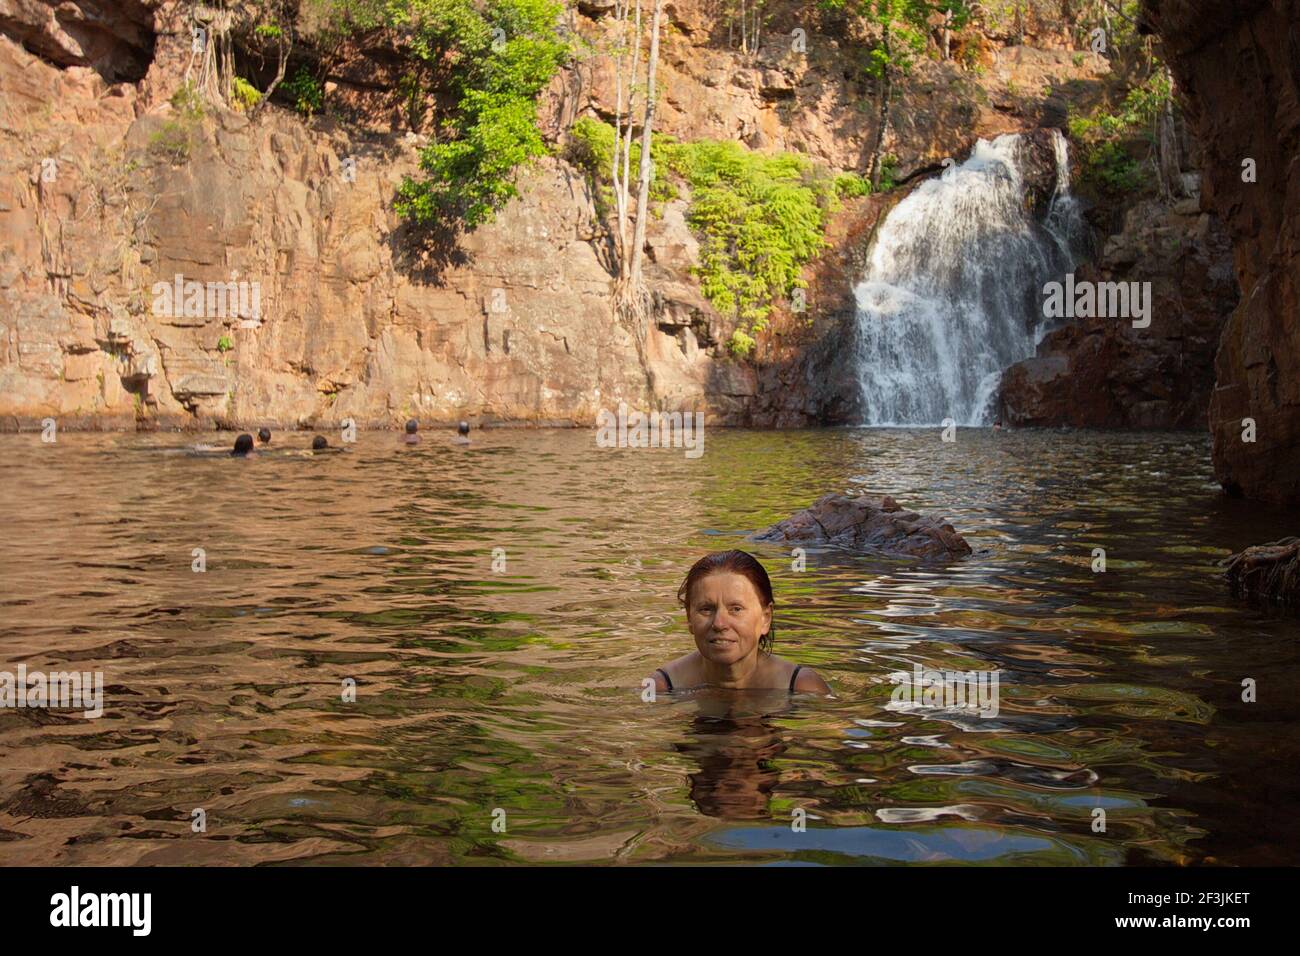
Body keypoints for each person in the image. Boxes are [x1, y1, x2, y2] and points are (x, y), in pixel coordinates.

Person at [648, 550, 831, 695]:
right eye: (706, 609)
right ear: (689, 618)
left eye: (736, 609)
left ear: (765, 618)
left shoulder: (802, 687)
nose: (719, 623)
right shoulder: (661, 688)